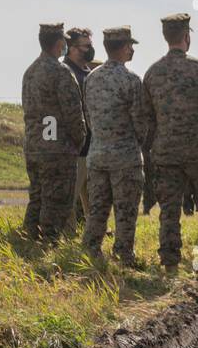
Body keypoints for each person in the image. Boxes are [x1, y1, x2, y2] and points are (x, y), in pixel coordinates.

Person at [142, 12, 198, 275]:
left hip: (165, 152)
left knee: (169, 209)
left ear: (165, 37)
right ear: (186, 37)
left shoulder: (151, 73)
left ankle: (170, 263)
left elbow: (147, 117)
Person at [82, 26, 147, 266]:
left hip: (97, 156)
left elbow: (89, 118)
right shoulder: (131, 80)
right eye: (130, 45)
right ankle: (123, 257)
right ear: (122, 48)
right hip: (125, 158)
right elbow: (140, 122)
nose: (132, 50)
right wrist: (136, 143)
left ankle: (89, 252)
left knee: (97, 209)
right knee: (125, 212)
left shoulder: (92, 78)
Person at [21, 22, 86, 242]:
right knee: (57, 201)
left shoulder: (30, 72)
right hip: (58, 150)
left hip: (34, 147)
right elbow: (73, 114)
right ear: (59, 43)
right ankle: (49, 243)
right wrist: (79, 140)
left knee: (37, 197)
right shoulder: (61, 72)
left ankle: (29, 239)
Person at [63, 26, 94, 229]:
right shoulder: (66, 72)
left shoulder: (87, 72)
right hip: (76, 149)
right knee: (69, 201)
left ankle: (92, 237)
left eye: (91, 45)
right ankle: (69, 239)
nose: (90, 50)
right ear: (72, 48)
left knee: (93, 201)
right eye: (86, 46)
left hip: (91, 147)